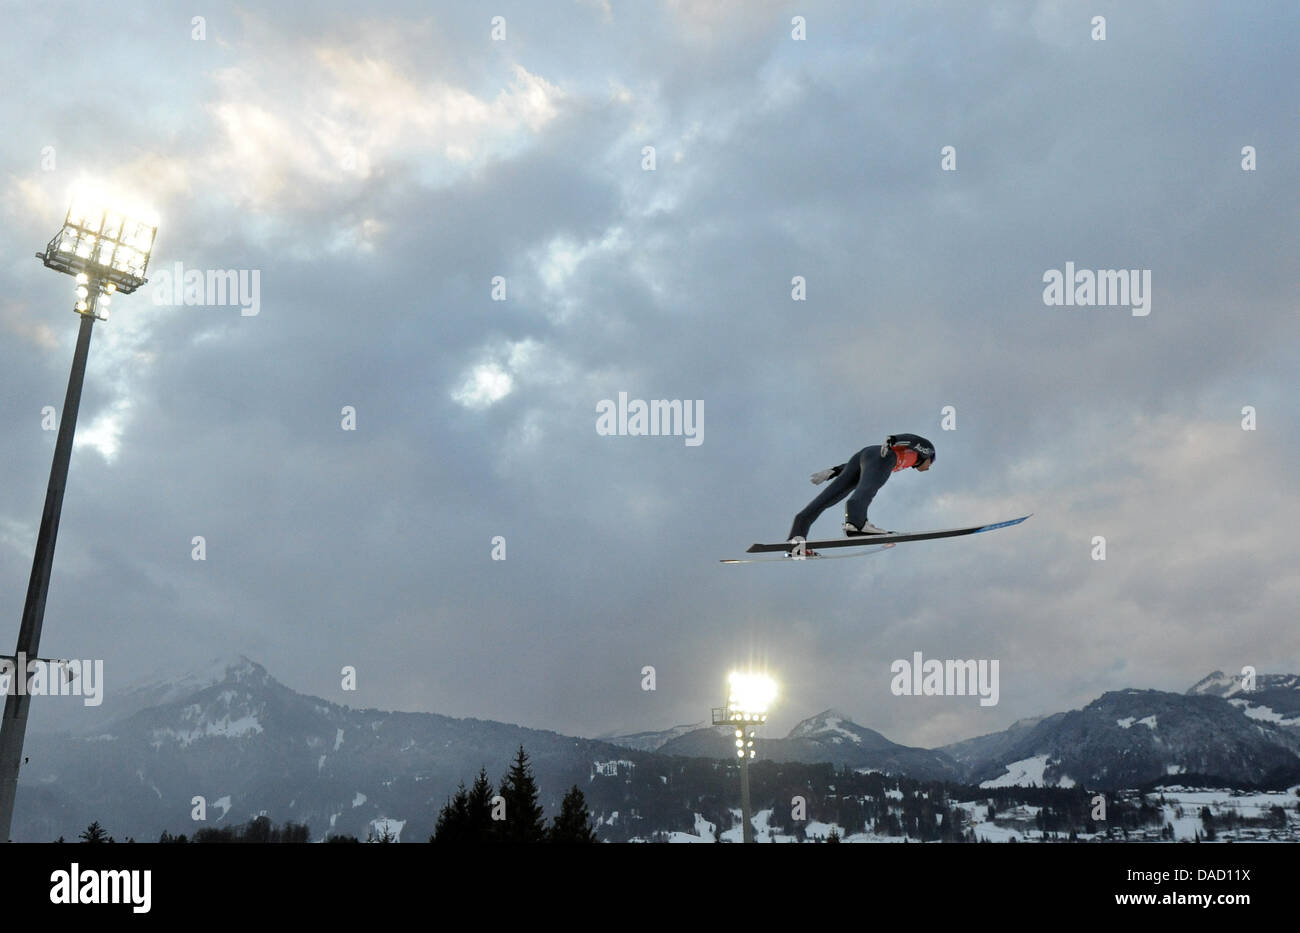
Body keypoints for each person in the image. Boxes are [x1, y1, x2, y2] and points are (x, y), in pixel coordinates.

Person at [786, 434, 935, 550]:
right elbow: (914, 439)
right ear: (928, 457)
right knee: (867, 489)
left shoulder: (907, 460)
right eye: (931, 463)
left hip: (866, 456)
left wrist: (834, 471)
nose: (929, 467)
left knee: (825, 500)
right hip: (883, 457)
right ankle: (857, 525)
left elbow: (868, 463)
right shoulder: (926, 451)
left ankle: (796, 542)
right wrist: (894, 439)